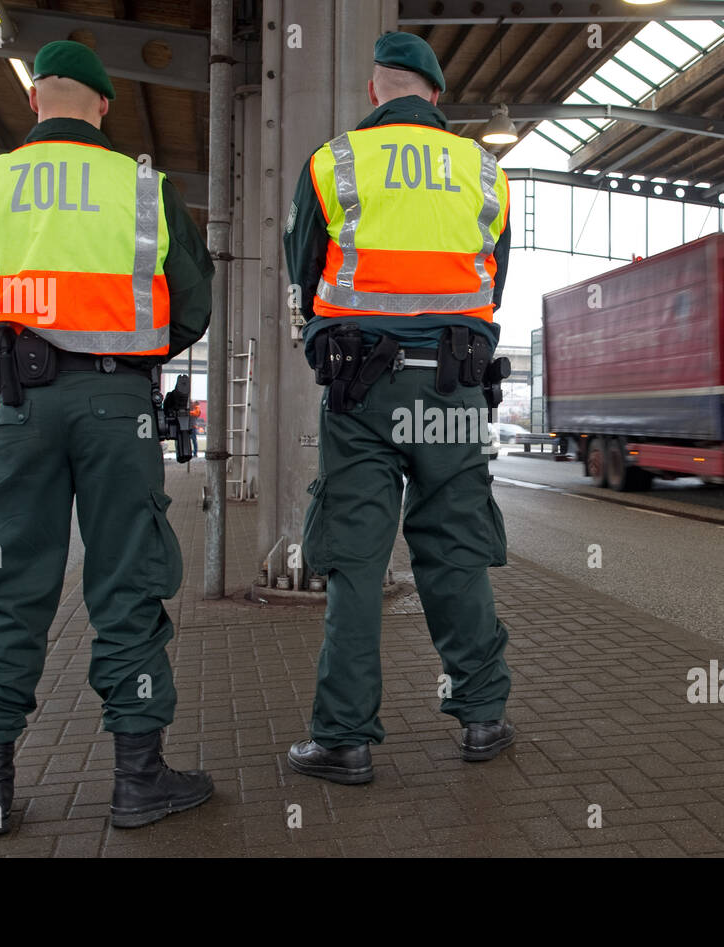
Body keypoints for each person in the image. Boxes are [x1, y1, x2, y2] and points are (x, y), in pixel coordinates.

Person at [0, 40, 216, 834]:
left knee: (10, 586)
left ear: (34, 101)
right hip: (116, 405)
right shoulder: (143, 188)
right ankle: (137, 779)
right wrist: (125, 349)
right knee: (126, 581)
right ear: (103, 104)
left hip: (21, 407)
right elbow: (193, 303)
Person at [283, 31, 515, 784]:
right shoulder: (485, 172)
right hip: (453, 386)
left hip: (362, 392)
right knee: (454, 551)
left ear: (376, 91)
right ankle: (482, 717)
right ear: (436, 97)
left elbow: (304, 267)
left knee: (356, 562)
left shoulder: (334, 161)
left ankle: (344, 739)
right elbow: (492, 280)